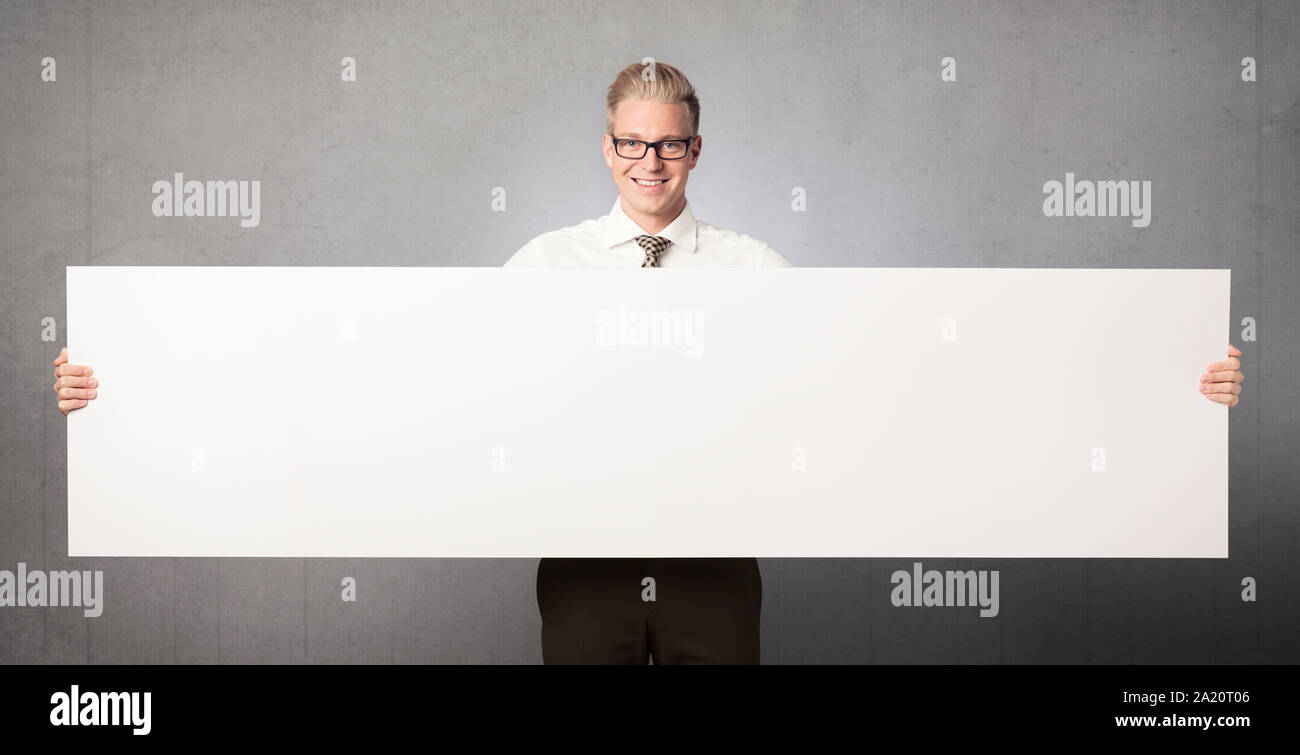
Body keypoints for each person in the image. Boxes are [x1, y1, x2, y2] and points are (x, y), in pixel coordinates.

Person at [53, 61, 1248, 665]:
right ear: (607, 144)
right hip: (582, 567)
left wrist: (1168, 390)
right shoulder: (543, 264)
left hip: (715, 571)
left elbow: (907, 379)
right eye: (631, 142)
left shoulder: (755, 266)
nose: (650, 163)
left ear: (695, 147)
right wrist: (133, 385)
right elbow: (392, 384)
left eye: (669, 142)